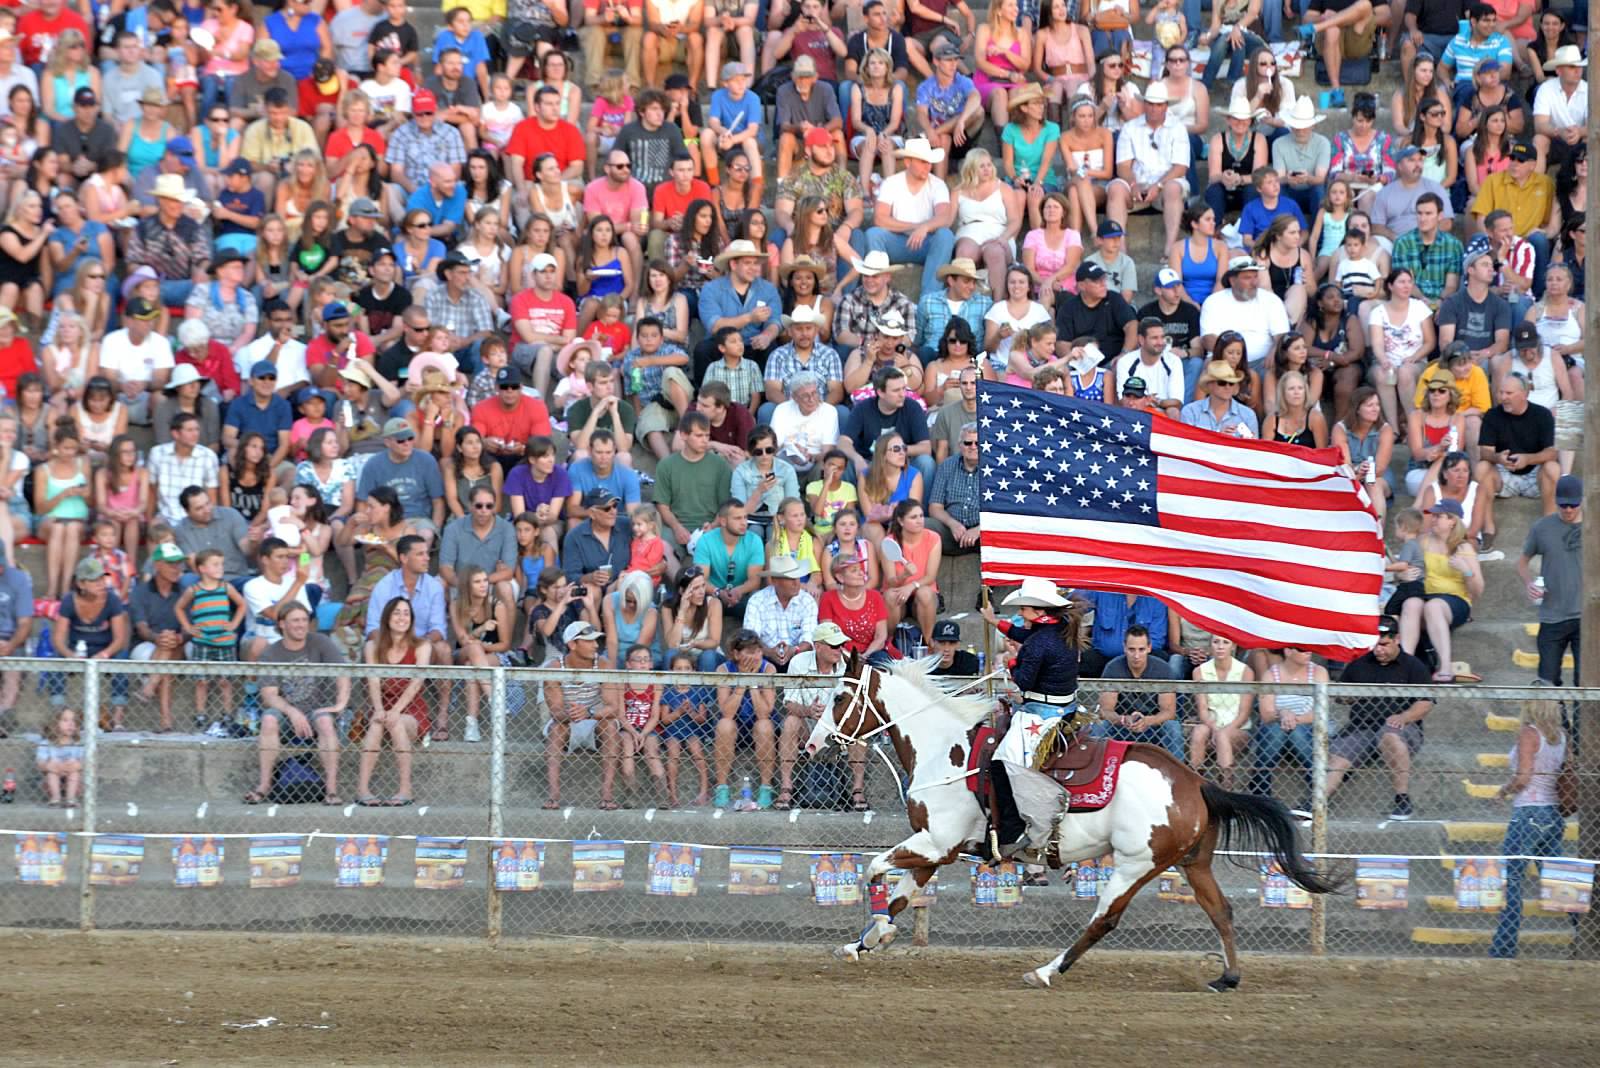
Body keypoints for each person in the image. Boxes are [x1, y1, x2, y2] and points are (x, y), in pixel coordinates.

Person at [982, 577, 1081, 858]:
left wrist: (1011, 661)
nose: (1020, 614)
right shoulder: (1059, 628)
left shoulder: (1039, 643)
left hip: (1043, 713)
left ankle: (1013, 828)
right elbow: (1026, 635)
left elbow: (1023, 681)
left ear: (1038, 611)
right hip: (1066, 708)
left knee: (1002, 762)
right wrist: (995, 623)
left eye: (1023, 609)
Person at [1326, 615, 1433, 820]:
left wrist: (1405, 716)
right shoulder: (1359, 664)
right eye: (1375, 645)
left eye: (1384, 644)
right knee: (1339, 756)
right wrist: (1345, 697)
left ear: (1397, 639)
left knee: (1390, 736)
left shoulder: (1413, 666)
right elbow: (1341, 695)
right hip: (1361, 727)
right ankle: (1316, 803)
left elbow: (1425, 702)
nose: (1378, 650)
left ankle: (1402, 798)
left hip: (1399, 727)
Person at [1490, 697, 1571, 958]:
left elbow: (1524, 777)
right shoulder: (1561, 736)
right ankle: (1586, 933)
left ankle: (1504, 947)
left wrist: (1503, 792)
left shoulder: (1529, 733)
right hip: (1552, 812)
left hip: (1528, 810)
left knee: (1511, 879)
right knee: (1559, 878)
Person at [1518, 475, 1582, 686]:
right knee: (1547, 682)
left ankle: (1583, 720)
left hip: (1587, 618)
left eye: (1573, 504)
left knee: (1586, 682)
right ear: (1556, 501)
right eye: (1563, 505)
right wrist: (1529, 584)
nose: (1568, 510)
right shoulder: (1542, 527)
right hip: (1552, 617)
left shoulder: (1594, 526)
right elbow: (1522, 562)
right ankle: (1558, 720)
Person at [52, 557, 131, 729]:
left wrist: (105, 654)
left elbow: (120, 639)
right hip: (77, 648)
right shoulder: (69, 600)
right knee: (55, 660)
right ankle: (60, 717)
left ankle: (117, 720)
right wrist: (69, 655)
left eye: (102, 579)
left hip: (105, 648)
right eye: (95, 580)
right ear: (81, 584)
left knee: (122, 658)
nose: (101, 583)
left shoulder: (112, 600)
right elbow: (58, 638)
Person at [711, 627, 778, 809]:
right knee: (724, 724)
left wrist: (753, 682)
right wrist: (742, 682)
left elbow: (765, 712)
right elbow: (727, 712)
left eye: (758, 651)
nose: (756, 656)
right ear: (736, 653)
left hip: (758, 723)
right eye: (750, 652)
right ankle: (722, 788)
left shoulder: (768, 668)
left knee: (764, 725)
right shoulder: (724, 669)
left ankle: (766, 788)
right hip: (734, 724)